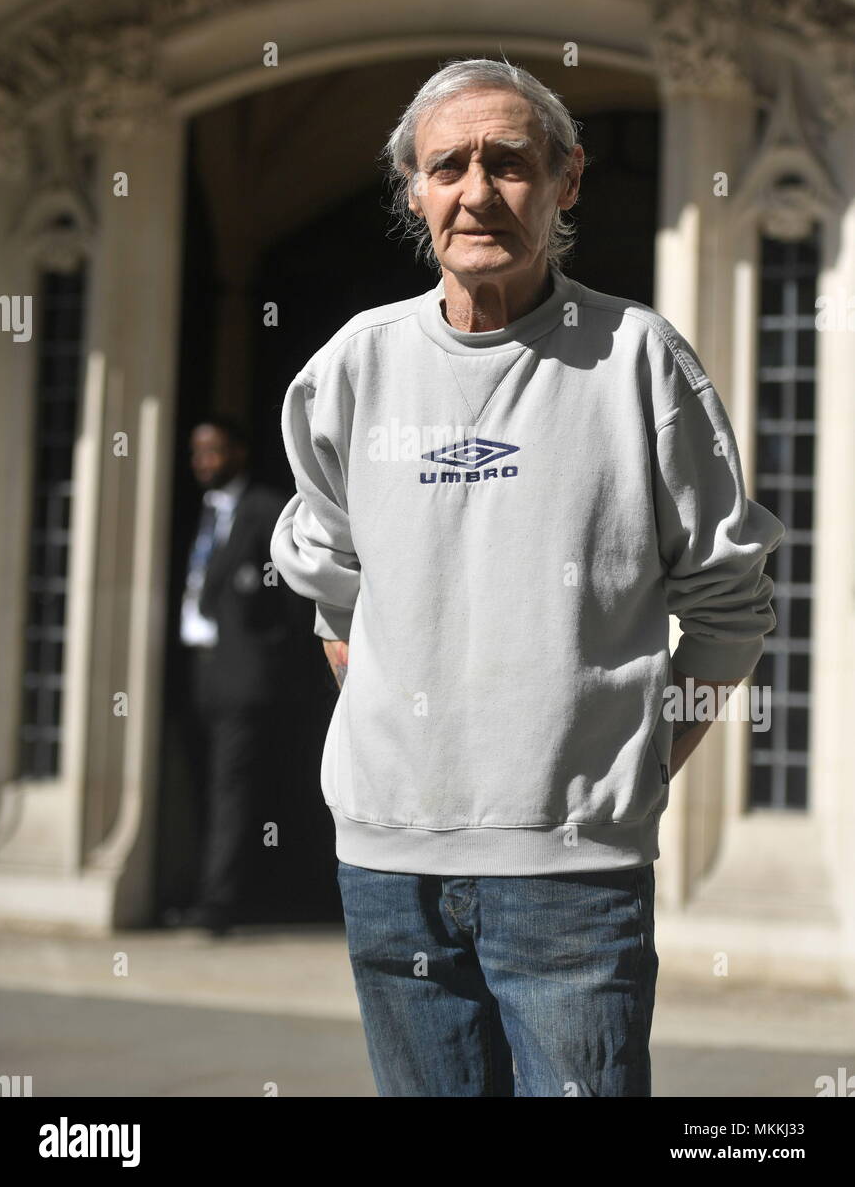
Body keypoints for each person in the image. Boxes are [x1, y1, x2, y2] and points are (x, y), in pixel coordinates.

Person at [270, 57, 785, 1095]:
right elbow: (331, 588)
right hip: (386, 872)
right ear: (414, 192)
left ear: (565, 180)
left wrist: (633, 772)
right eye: (446, 165)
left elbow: (729, 609)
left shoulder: (639, 363)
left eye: (507, 163)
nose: (475, 191)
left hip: (571, 878)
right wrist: (404, 749)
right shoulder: (351, 370)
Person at [166, 415, 302, 936]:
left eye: (215, 451)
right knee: (200, 785)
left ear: (238, 453)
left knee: (233, 790)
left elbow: (290, 596)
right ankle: (193, 887)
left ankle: (220, 905)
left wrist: (263, 639)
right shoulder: (193, 511)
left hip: (243, 674)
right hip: (195, 669)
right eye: (197, 452)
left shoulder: (265, 509)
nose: (204, 462)